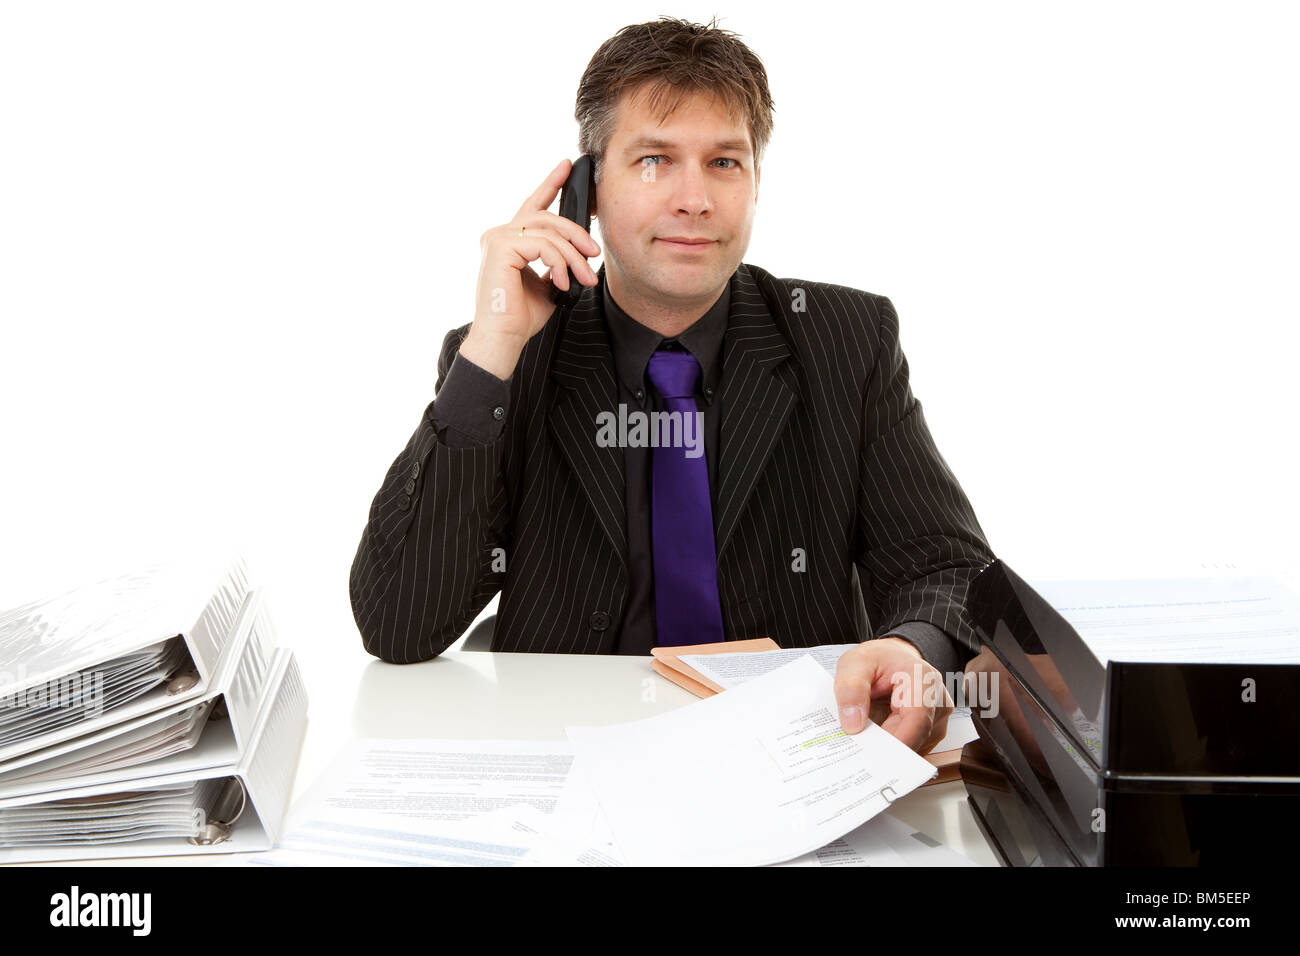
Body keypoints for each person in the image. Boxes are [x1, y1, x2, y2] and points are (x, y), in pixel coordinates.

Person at [349, 17, 996, 754]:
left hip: (798, 757)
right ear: (586, 189)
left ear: (755, 184)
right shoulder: (512, 357)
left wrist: (914, 650)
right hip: (570, 759)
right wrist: (491, 349)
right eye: (655, 160)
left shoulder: (848, 339)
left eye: (725, 163)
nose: (695, 199)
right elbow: (398, 625)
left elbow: (946, 564)